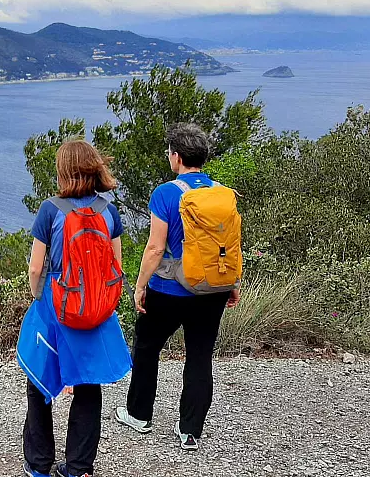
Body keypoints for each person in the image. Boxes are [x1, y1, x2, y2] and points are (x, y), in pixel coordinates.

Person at [114, 123, 240, 451]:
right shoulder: (222, 193)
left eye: (170, 152)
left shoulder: (166, 193)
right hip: (212, 289)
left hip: (169, 290)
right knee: (200, 356)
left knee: (146, 347)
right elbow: (228, 244)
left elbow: (155, 248)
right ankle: (190, 432)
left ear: (177, 157)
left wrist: (140, 286)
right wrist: (231, 283)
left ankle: (139, 415)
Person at [17, 139, 132, 477]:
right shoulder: (109, 212)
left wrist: (38, 299)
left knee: (38, 381)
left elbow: (36, 268)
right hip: (96, 308)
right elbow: (116, 266)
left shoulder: (50, 209)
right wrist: (102, 303)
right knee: (88, 382)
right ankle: (79, 466)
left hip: (56, 303)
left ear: (64, 171)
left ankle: (39, 465)